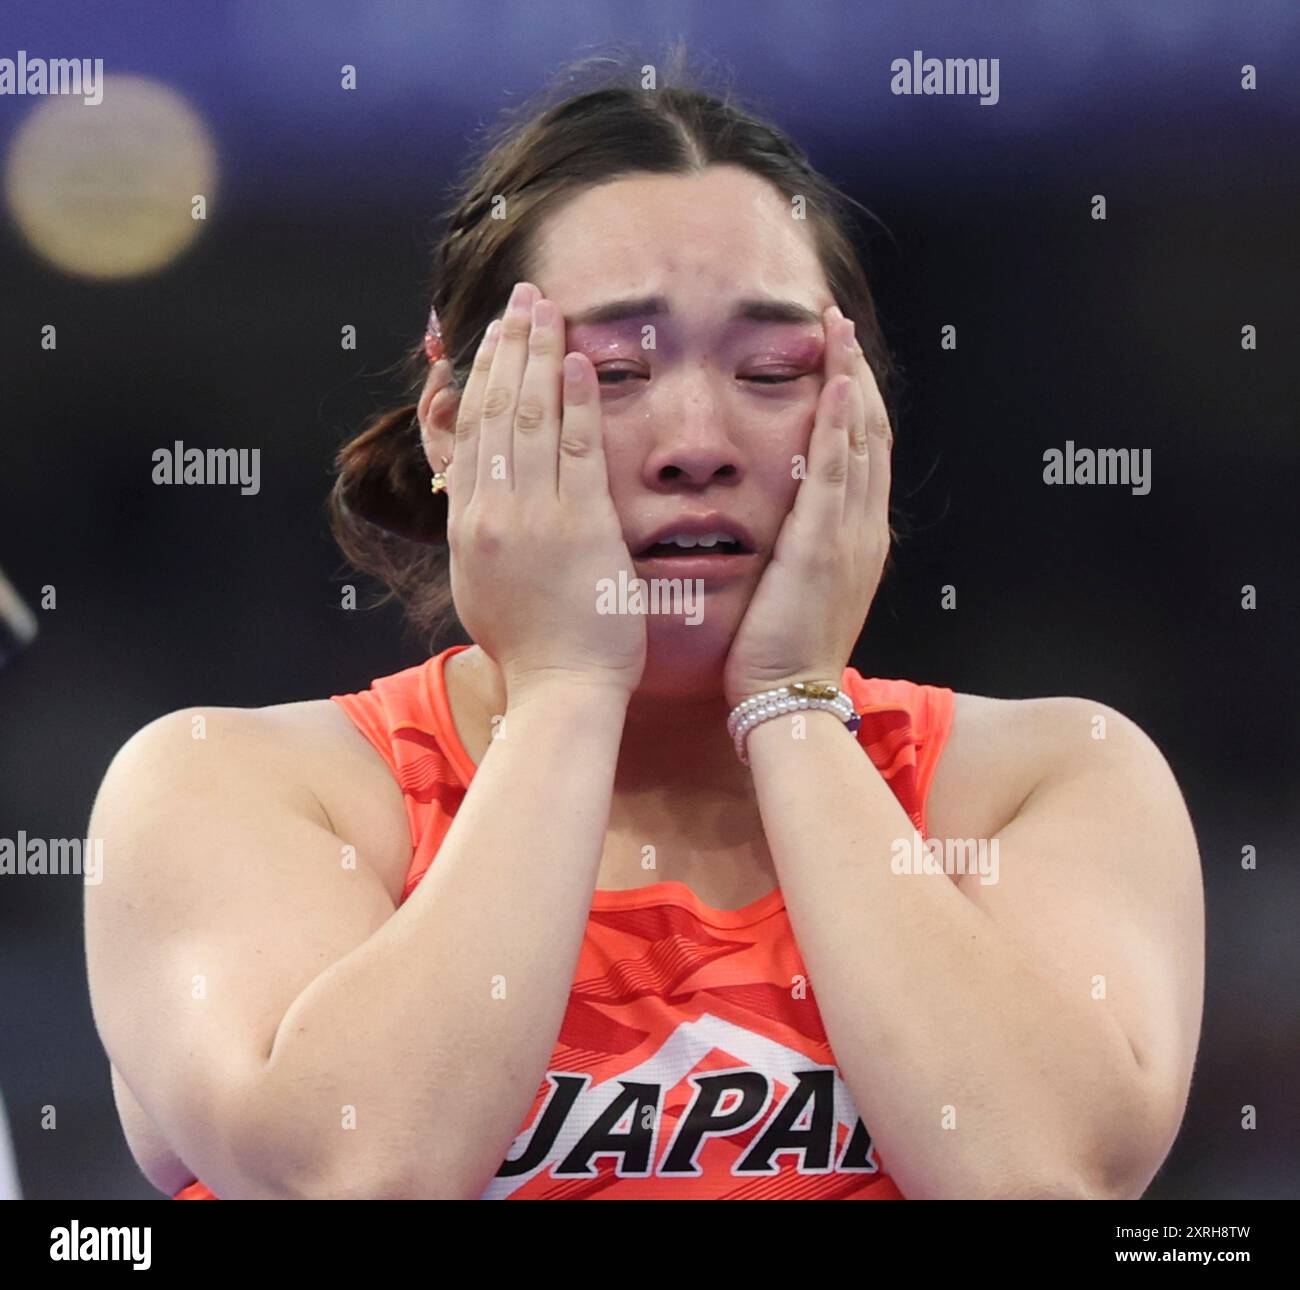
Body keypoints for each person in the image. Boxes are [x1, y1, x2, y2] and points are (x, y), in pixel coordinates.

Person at [83, 56, 1204, 1201]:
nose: (697, 440)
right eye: (614, 370)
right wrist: (568, 682)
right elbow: (357, 1174)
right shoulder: (233, 791)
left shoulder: (1040, 784)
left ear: (859, 414)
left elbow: (1040, 1185)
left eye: (771, 371)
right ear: (453, 425)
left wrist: (793, 705)